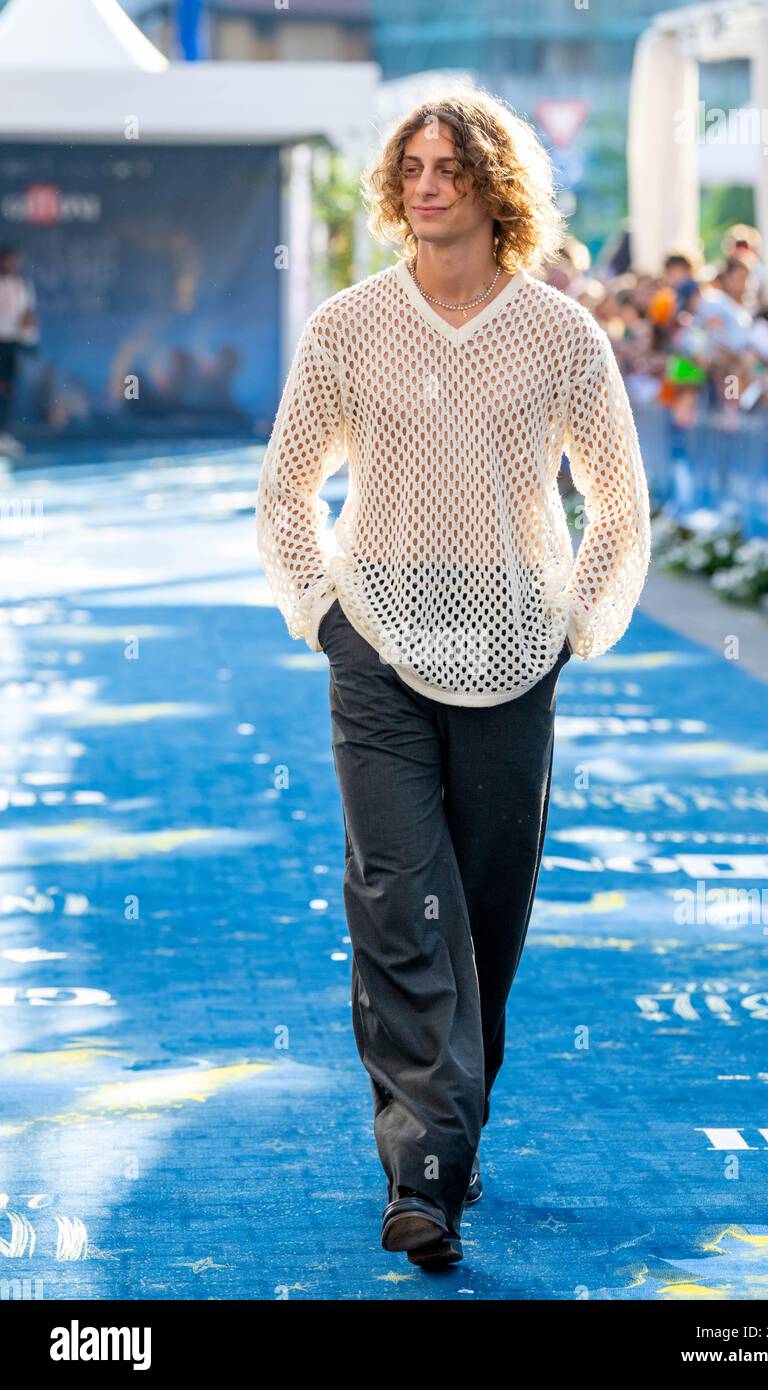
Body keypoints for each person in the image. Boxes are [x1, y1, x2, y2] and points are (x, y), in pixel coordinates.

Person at [255, 88, 650, 1269]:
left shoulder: (561, 335)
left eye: (449, 166)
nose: (426, 183)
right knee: (396, 901)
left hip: (513, 651)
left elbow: (621, 509)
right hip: (373, 636)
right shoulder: (344, 327)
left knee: (483, 918)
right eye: (411, 165)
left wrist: (577, 622)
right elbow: (284, 497)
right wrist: (323, 615)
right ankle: (420, 1176)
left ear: (493, 187)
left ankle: (448, 1125)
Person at [0, 246, 38, 456]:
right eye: (8, 260)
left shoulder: (23, 285)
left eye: (15, 260)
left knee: (8, 388)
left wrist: (29, 337)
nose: (12, 265)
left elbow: (28, 314)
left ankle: (3, 433)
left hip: (13, 342)